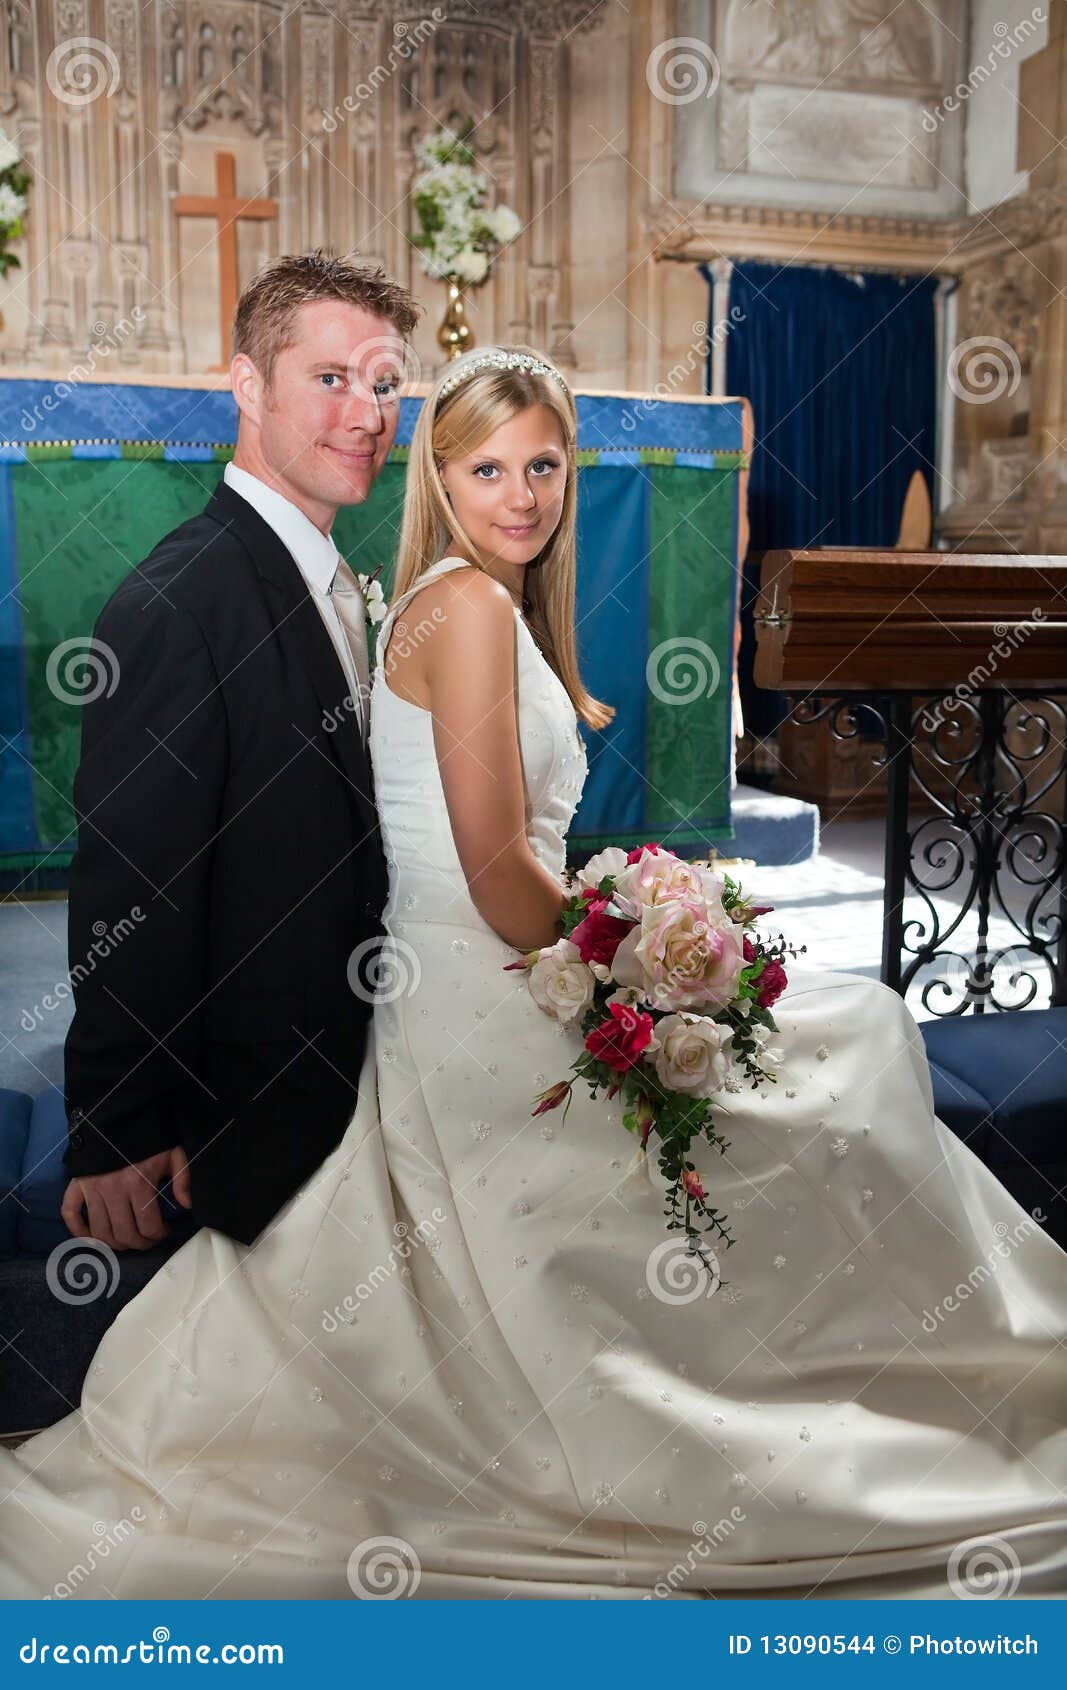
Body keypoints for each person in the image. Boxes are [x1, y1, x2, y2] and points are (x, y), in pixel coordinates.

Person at [2, 346, 1066, 1601]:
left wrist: (643, 922)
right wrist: (652, 958)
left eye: (544, 464)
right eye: (486, 467)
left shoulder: (472, 605)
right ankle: (908, 1391)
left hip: (477, 963)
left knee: (849, 1036)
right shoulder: (464, 609)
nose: (521, 493)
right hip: (484, 978)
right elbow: (498, 865)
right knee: (860, 1043)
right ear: (438, 482)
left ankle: (880, 1376)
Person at [58, 250, 419, 1250]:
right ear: (248, 385)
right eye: (331, 378)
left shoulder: (334, 579)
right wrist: (116, 1121)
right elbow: (135, 883)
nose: (367, 414)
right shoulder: (179, 604)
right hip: (248, 1101)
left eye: (385, 384)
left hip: (352, 1066)